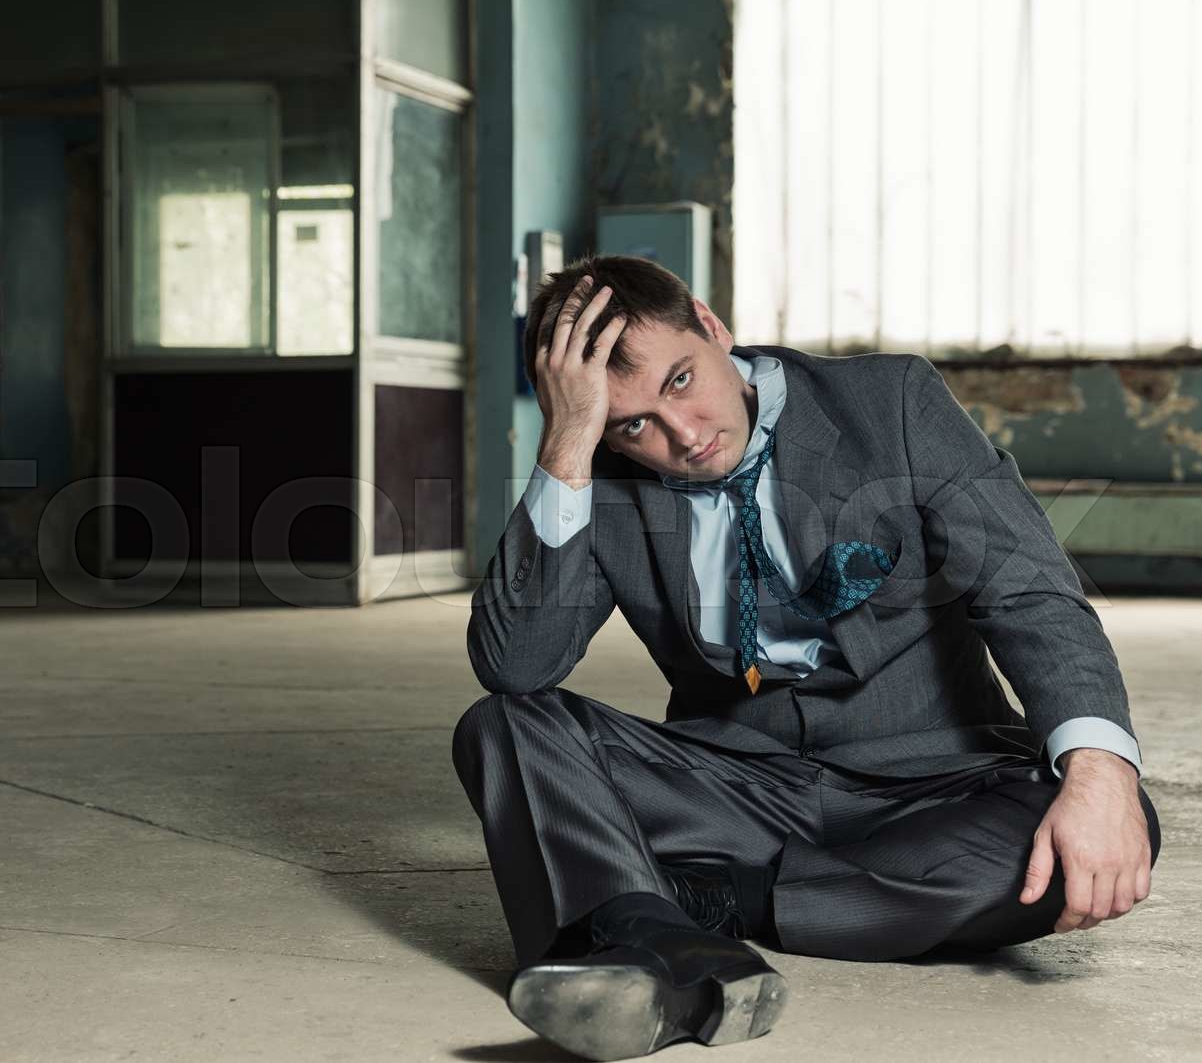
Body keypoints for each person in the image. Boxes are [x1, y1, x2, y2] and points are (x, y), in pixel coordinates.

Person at [452, 255, 1160, 1061]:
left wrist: (1102, 775)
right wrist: (569, 443)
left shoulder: (888, 402)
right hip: (736, 787)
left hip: (935, 783)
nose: (682, 435)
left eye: (682, 379)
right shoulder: (598, 475)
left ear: (712, 326)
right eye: (633, 422)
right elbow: (516, 665)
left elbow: (1027, 590)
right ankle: (662, 938)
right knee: (505, 727)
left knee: (1094, 836)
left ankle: (691, 905)